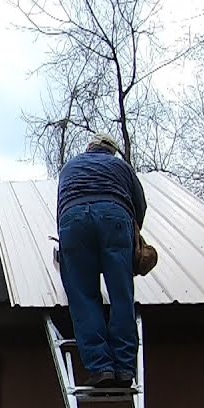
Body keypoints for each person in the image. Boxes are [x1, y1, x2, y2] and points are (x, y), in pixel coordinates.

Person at [55, 132, 147, 388]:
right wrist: (133, 236)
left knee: (83, 296)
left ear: (90, 148)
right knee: (121, 294)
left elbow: (61, 207)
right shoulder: (120, 166)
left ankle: (100, 367)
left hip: (72, 223)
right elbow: (140, 207)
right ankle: (125, 368)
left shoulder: (69, 167)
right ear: (112, 151)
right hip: (114, 218)